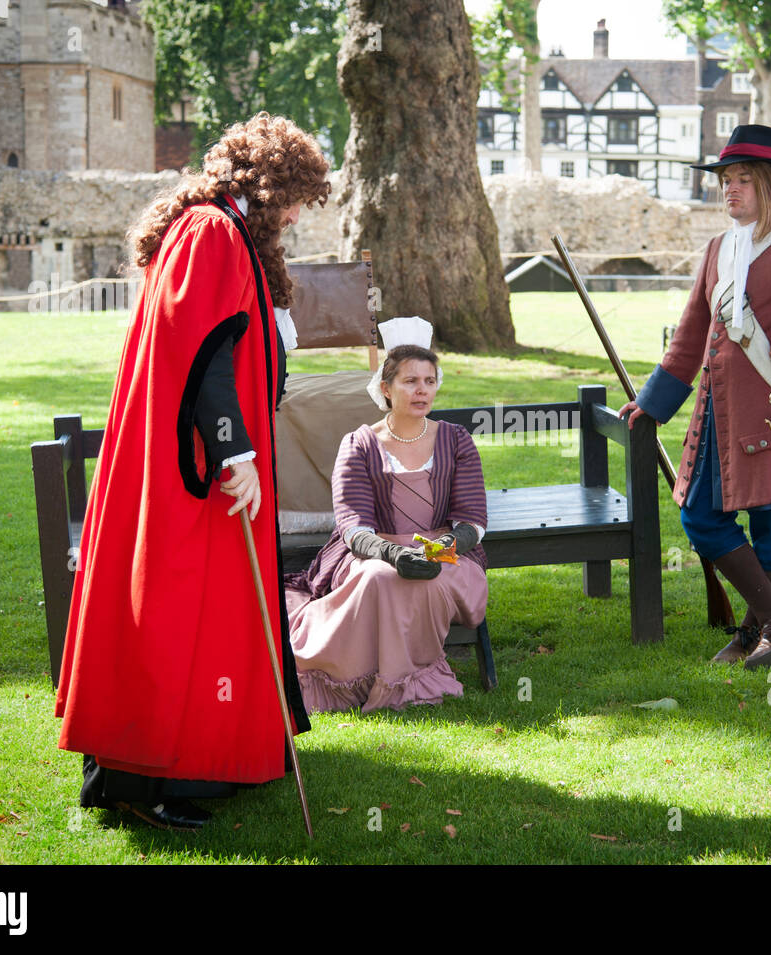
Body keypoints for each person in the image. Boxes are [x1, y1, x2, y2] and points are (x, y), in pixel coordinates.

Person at [55, 113, 330, 830]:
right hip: (194, 469)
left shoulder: (224, 232)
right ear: (270, 187)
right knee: (175, 608)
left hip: (198, 459)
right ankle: (141, 777)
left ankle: (204, 758)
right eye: (297, 195)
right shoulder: (211, 233)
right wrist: (234, 453)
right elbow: (203, 351)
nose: (299, 213)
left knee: (207, 614)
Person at [619, 124, 771, 668]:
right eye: (726, 180)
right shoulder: (718, 249)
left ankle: (758, 631)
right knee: (700, 519)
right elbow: (689, 336)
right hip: (718, 412)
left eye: (743, 180)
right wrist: (653, 403)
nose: (730, 189)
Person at [283, 316, 489, 713]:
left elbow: (474, 520)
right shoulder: (359, 444)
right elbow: (352, 525)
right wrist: (393, 555)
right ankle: (363, 680)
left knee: (427, 581)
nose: (421, 390)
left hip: (447, 552)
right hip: (370, 552)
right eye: (410, 381)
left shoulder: (456, 440)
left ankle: (404, 681)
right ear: (385, 388)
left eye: (429, 381)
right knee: (380, 579)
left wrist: (442, 548)